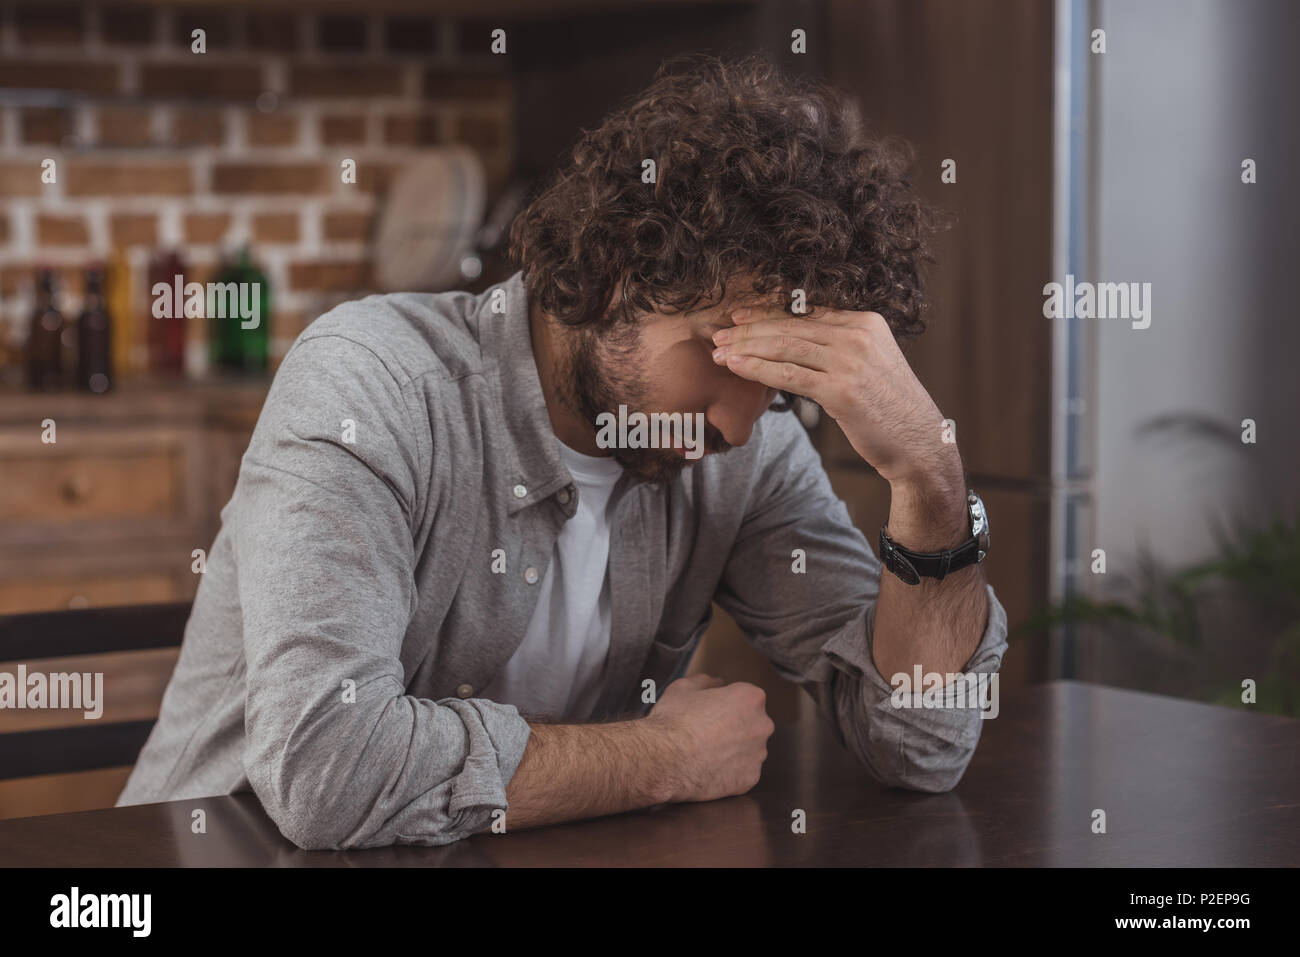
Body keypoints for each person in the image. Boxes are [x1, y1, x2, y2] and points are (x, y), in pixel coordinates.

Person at [117, 53, 1007, 850]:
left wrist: (930, 476)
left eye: (782, 378)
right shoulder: (372, 385)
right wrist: (662, 758)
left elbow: (921, 743)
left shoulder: (750, 448)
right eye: (720, 353)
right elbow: (327, 775)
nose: (743, 423)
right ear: (618, 276)